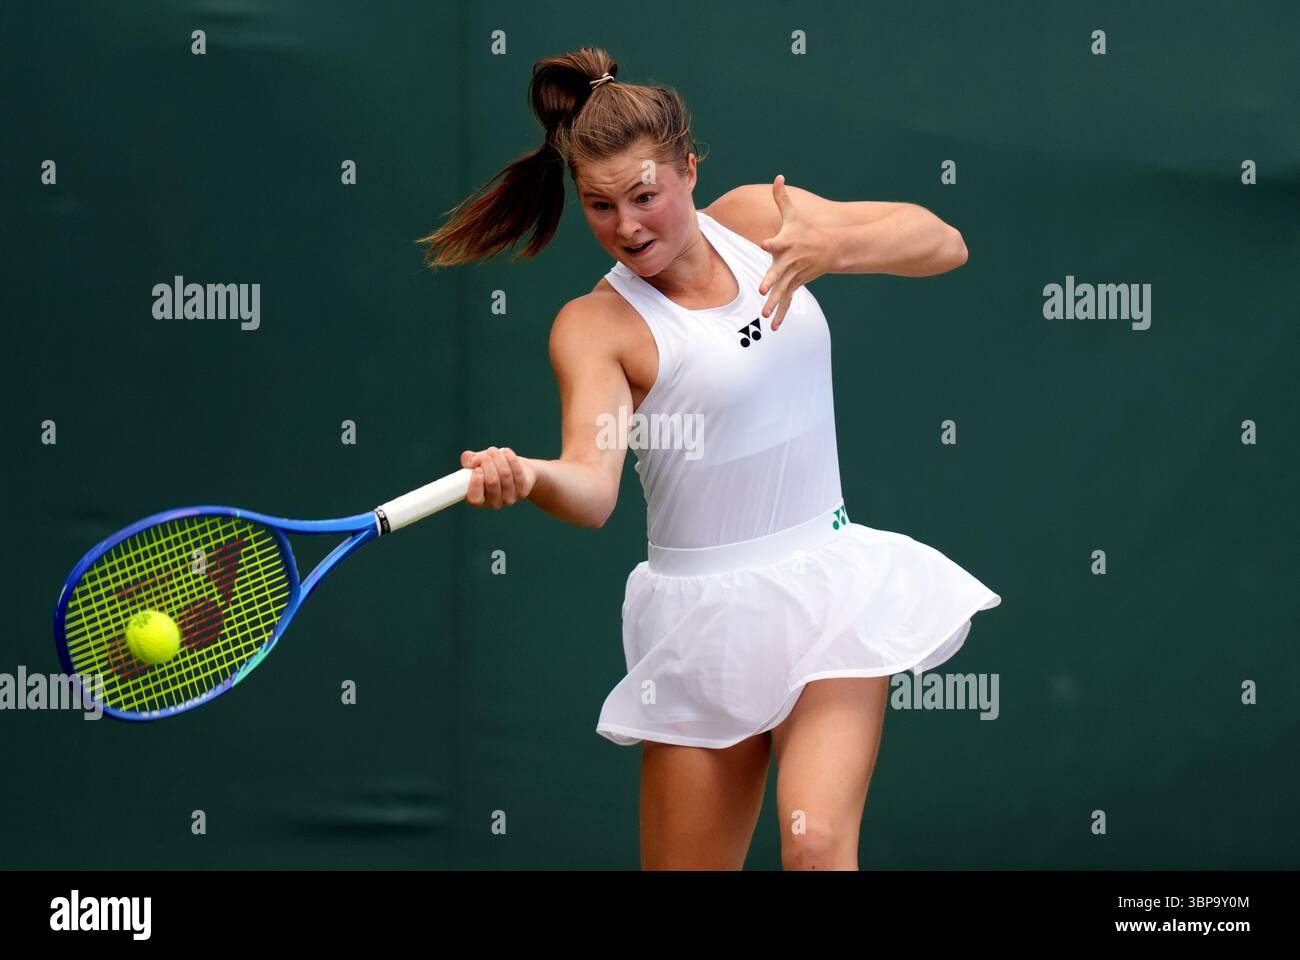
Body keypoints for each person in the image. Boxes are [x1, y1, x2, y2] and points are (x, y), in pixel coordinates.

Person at [417, 47, 1000, 870]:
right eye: (600, 206)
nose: (628, 227)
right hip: (700, 628)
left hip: (829, 585)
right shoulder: (596, 328)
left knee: (818, 847)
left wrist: (832, 247)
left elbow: (943, 242)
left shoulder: (762, 222)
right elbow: (591, 486)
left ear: (689, 170)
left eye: (646, 196)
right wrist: (531, 475)